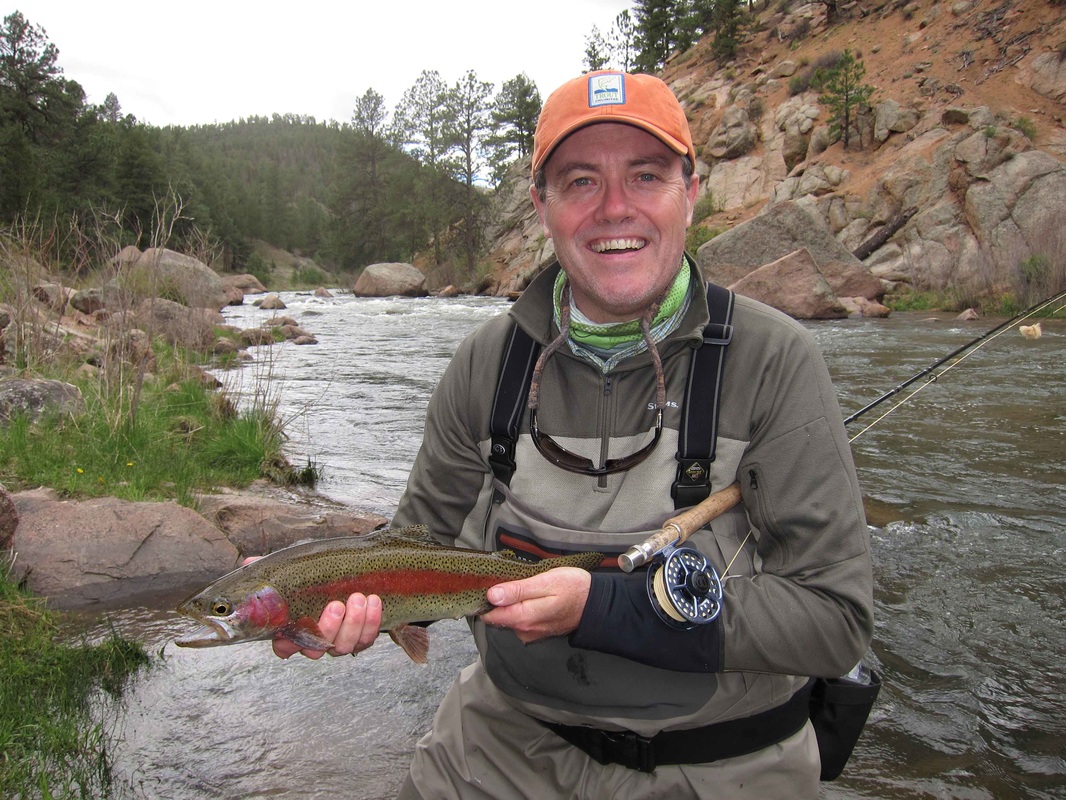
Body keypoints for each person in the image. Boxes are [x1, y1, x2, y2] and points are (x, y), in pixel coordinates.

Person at [274, 70, 874, 799]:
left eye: (645, 175)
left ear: (691, 192)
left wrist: (606, 607)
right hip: (504, 743)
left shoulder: (775, 360)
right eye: (581, 181)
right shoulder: (485, 363)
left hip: (723, 764)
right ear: (542, 207)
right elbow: (416, 555)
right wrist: (329, 601)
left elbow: (834, 622)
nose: (614, 208)